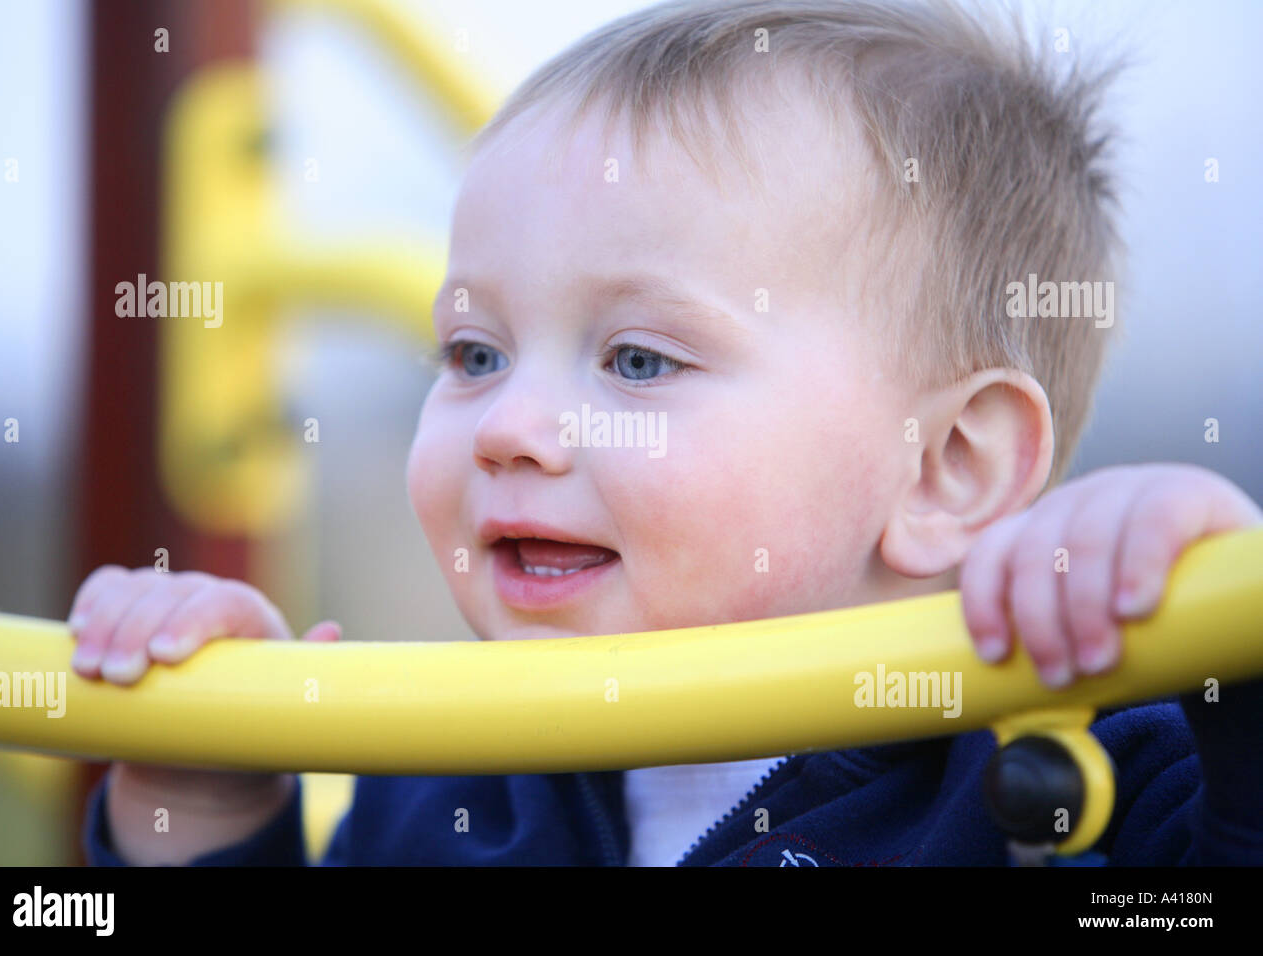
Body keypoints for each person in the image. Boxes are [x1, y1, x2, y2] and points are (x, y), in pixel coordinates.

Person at [74, 0, 1263, 865]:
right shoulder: (436, 775)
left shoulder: (1076, 777)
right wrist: (204, 792)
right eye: (472, 353)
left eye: (638, 359)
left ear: (948, 465)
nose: (510, 428)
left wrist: (1223, 628)